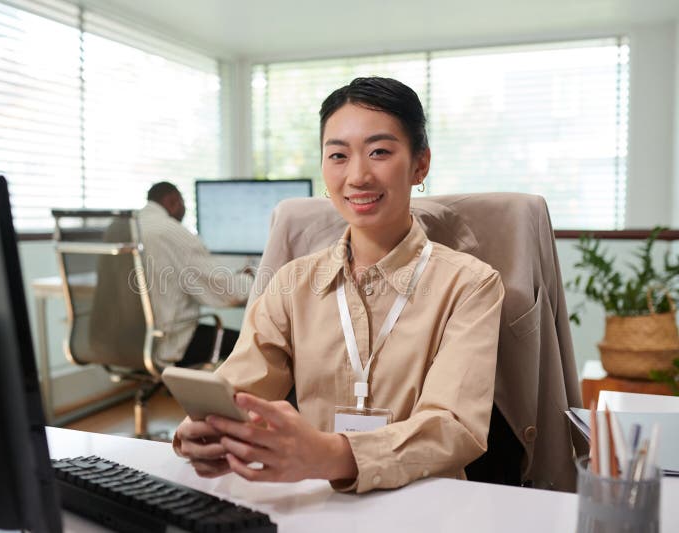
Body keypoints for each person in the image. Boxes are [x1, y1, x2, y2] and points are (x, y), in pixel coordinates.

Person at [173, 77, 505, 493]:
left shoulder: (470, 285)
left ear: (420, 165)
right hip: (314, 499)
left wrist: (330, 455)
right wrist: (207, 427)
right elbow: (240, 388)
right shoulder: (293, 283)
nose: (358, 175)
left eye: (379, 152)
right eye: (338, 155)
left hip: (424, 502)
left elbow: (453, 427)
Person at [132, 182, 254, 366]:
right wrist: (252, 279)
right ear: (172, 201)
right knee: (252, 344)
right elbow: (228, 293)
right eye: (183, 204)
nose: (184, 211)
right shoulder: (170, 231)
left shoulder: (129, 227)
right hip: (173, 342)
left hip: (134, 342)